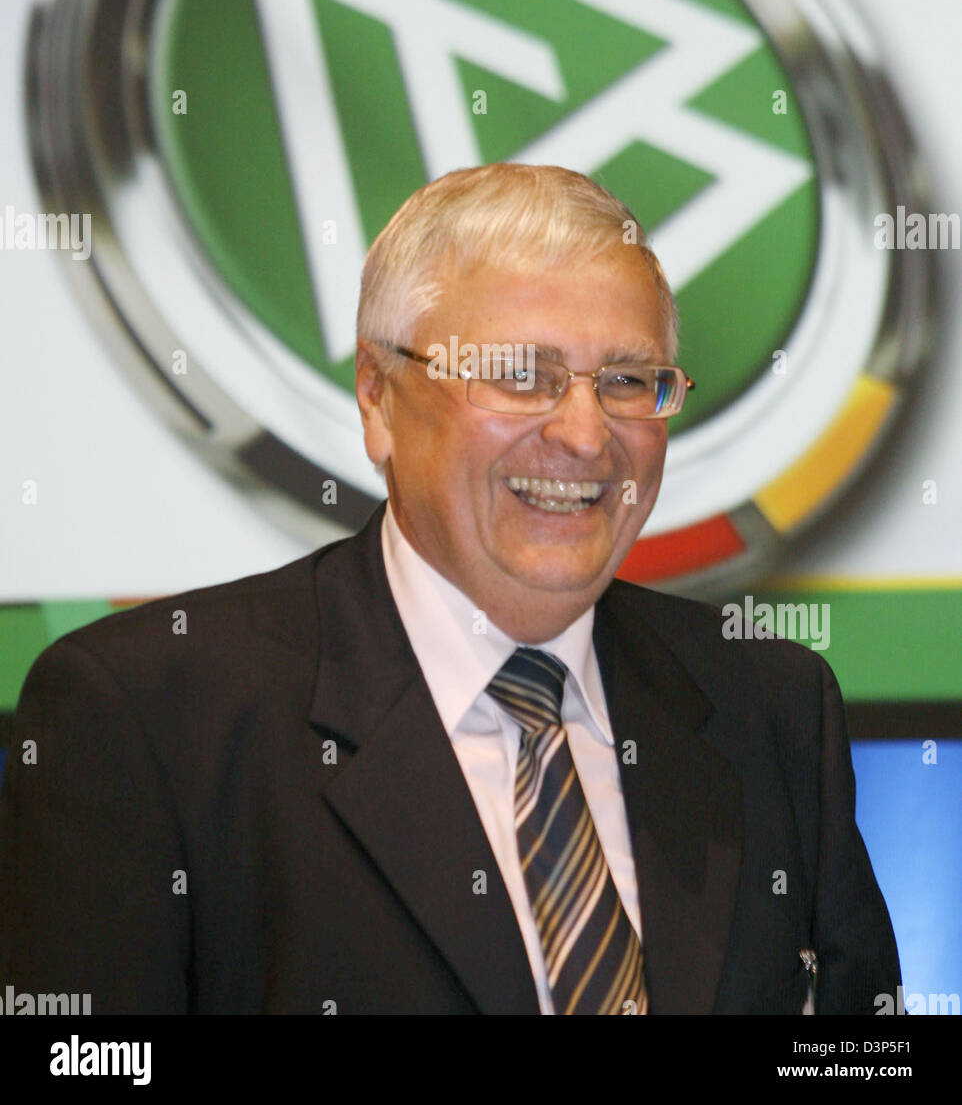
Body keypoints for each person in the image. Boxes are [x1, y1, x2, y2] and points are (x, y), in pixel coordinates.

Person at [0, 162, 898, 1014]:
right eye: (518, 375)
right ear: (378, 400)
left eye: (627, 382)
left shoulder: (769, 707)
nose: (586, 436)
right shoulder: (150, 717)